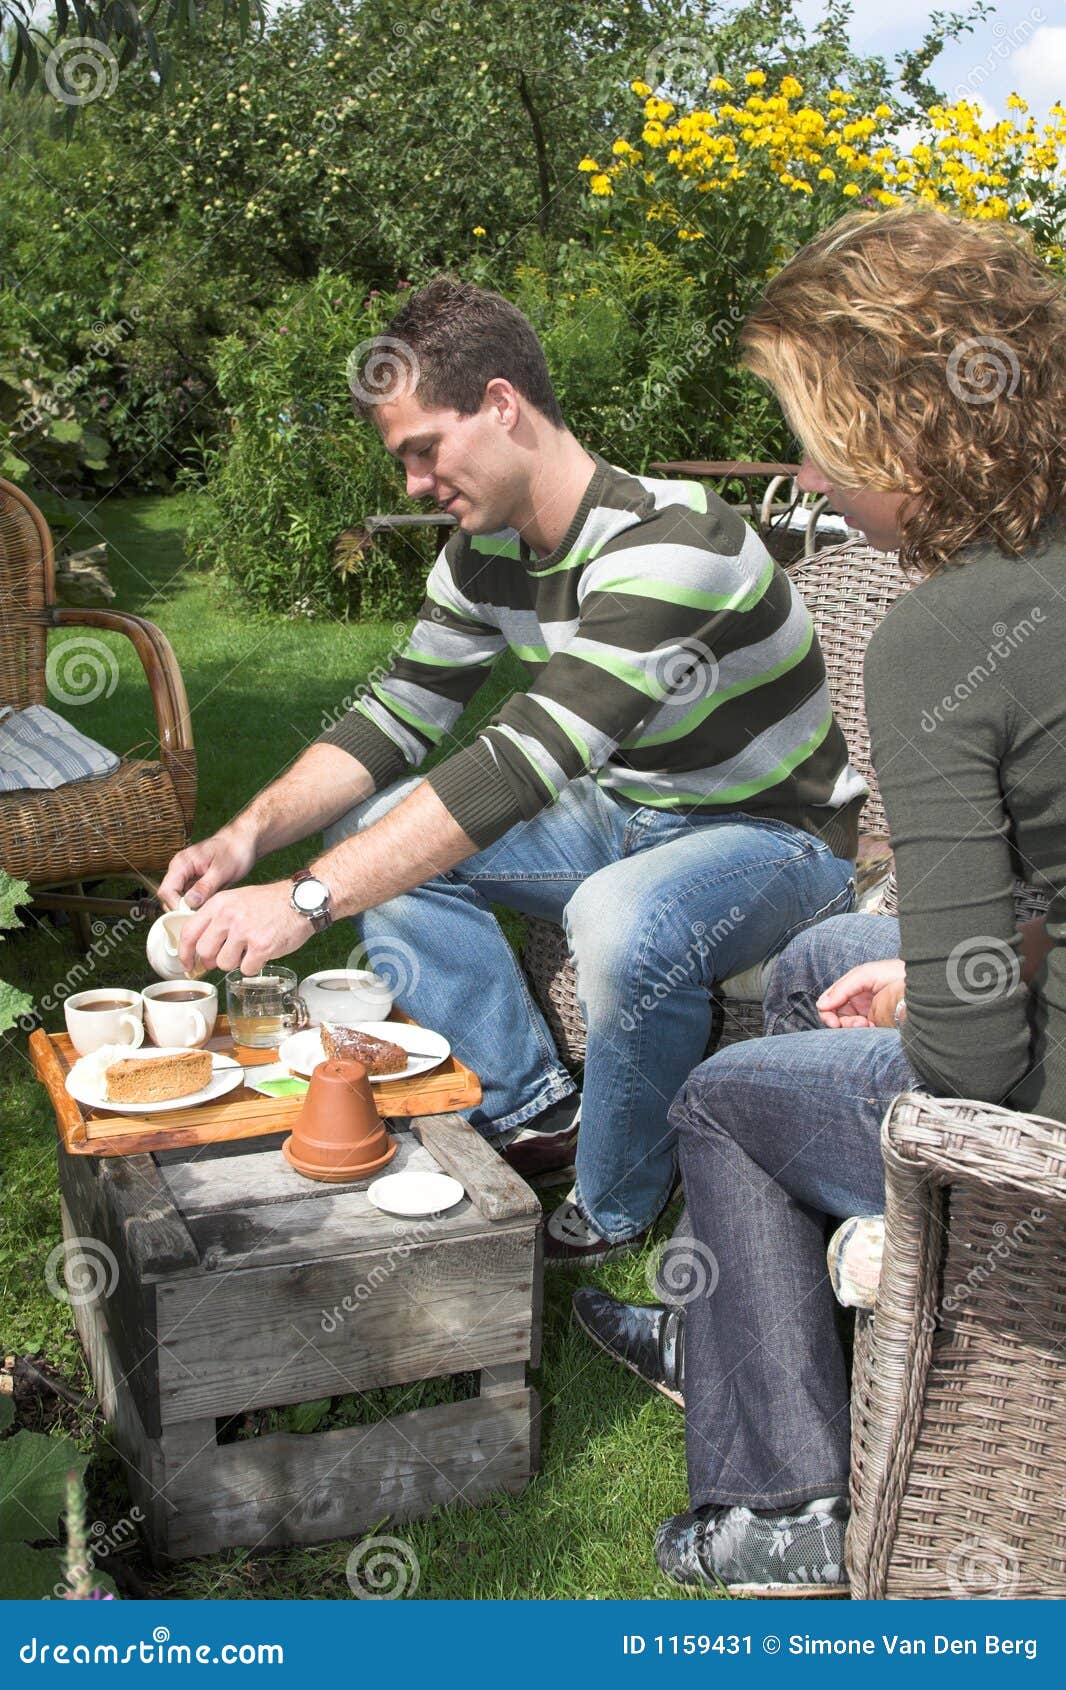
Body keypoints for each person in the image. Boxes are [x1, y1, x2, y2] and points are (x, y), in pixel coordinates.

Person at [159, 277, 864, 1264]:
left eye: (422, 449)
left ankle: (615, 1207)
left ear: (499, 404)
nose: (410, 483)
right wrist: (247, 835)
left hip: (775, 838)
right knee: (382, 820)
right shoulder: (480, 553)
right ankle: (533, 1109)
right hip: (623, 805)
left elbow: (525, 759)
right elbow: (397, 716)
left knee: (623, 918)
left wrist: (306, 901)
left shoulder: (675, 544)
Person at [573, 205, 1066, 1591]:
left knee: (724, 1102)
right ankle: (742, 1333)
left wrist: (961, 981)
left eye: (814, 428)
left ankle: (777, 1505)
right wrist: (964, 956)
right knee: (819, 969)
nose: (802, 472)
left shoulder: (945, 638)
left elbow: (969, 1072)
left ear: (902, 424)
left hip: (1042, 1127)